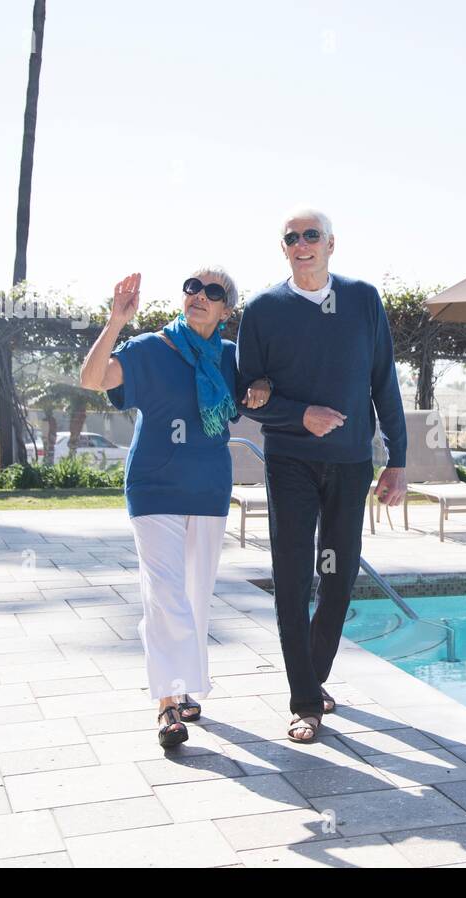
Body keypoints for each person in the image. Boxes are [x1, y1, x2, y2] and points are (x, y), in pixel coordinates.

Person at [236, 209, 407, 743]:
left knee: (337, 580)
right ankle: (305, 701)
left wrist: (397, 458)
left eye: (312, 235)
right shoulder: (264, 309)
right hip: (289, 460)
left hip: (352, 462)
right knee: (291, 577)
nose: (302, 244)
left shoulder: (362, 300)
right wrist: (299, 415)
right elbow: (248, 395)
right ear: (283, 248)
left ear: (331, 243)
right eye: (292, 238)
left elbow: (384, 380)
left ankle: (314, 674)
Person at [80, 269, 268, 748]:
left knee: (195, 595)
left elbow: (263, 388)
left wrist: (262, 384)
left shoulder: (231, 359)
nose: (199, 297)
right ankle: (167, 705)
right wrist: (115, 322)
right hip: (154, 490)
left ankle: (183, 688)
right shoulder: (151, 348)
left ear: (227, 310)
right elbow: (93, 378)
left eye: (213, 293)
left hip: (207, 490)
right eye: (192, 288)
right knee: (165, 594)